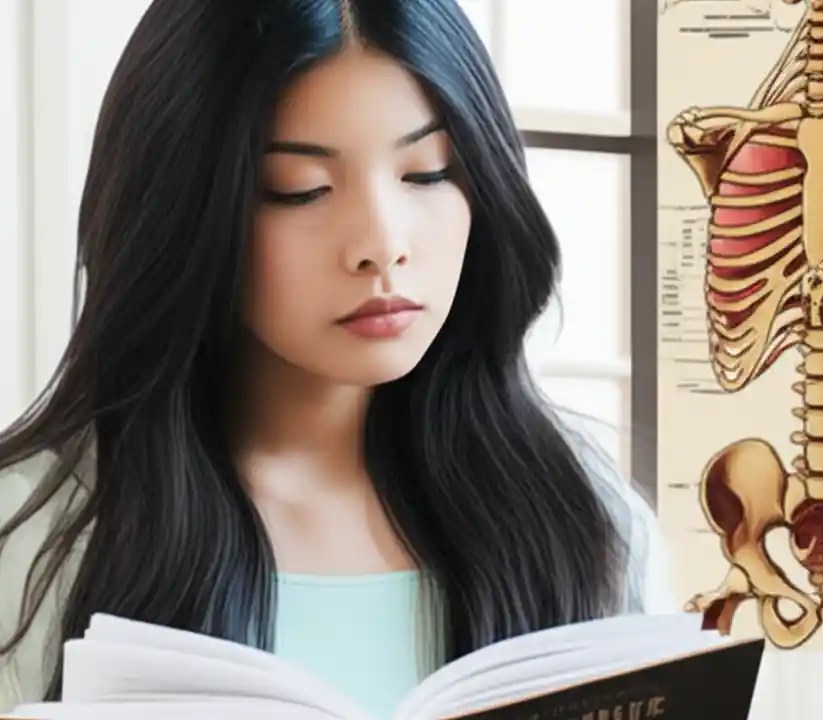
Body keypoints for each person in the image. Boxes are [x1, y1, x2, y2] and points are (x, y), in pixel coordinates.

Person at [0, 1, 673, 717]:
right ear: (185, 206)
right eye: (301, 190)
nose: (382, 244)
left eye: (428, 173)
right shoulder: (32, 540)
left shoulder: (589, 518)